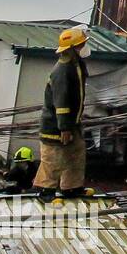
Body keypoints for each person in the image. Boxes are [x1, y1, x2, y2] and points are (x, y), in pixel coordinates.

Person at [34, 27, 91, 202]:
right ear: (72, 48)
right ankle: (46, 191)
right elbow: (62, 103)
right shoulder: (62, 71)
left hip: (72, 123)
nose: (84, 47)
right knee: (53, 157)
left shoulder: (76, 65)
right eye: (81, 45)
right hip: (56, 125)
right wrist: (64, 128)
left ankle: (71, 188)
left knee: (76, 154)